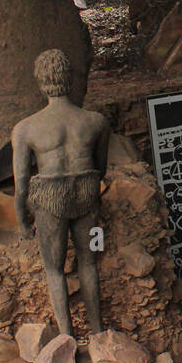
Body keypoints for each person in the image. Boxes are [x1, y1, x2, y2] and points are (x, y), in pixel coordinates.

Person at [12, 49, 110, 337]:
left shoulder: (25, 129)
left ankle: (67, 337)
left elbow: (22, 183)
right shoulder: (96, 121)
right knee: (88, 262)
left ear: (41, 82)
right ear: (69, 78)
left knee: (55, 270)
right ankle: (98, 332)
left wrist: (21, 222)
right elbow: (100, 168)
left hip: (50, 199)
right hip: (86, 192)